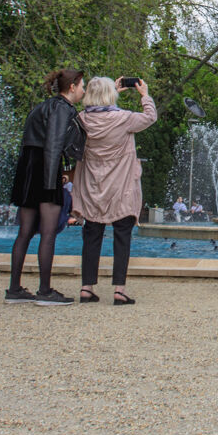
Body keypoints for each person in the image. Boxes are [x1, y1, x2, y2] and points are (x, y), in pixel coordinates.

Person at [71, 77, 157, 306]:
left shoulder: (81, 120)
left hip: (93, 185)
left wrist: (111, 93)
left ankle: (86, 288)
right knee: (122, 235)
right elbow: (150, 117)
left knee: (91, 234)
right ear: (111, 95)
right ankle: (120, 289)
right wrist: (144, 95)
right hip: (121, 186)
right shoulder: (124, 119)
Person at [6, 68, 88, 306]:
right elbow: (53, 143)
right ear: (72, 87)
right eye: (82, 85)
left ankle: (14, 289)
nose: (83, 90)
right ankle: (44, 291)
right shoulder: (62, 109)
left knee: (24, 232)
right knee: (49, 232)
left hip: (28, 169)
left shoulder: (42, 107)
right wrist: (54, 179)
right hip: (46, 167)